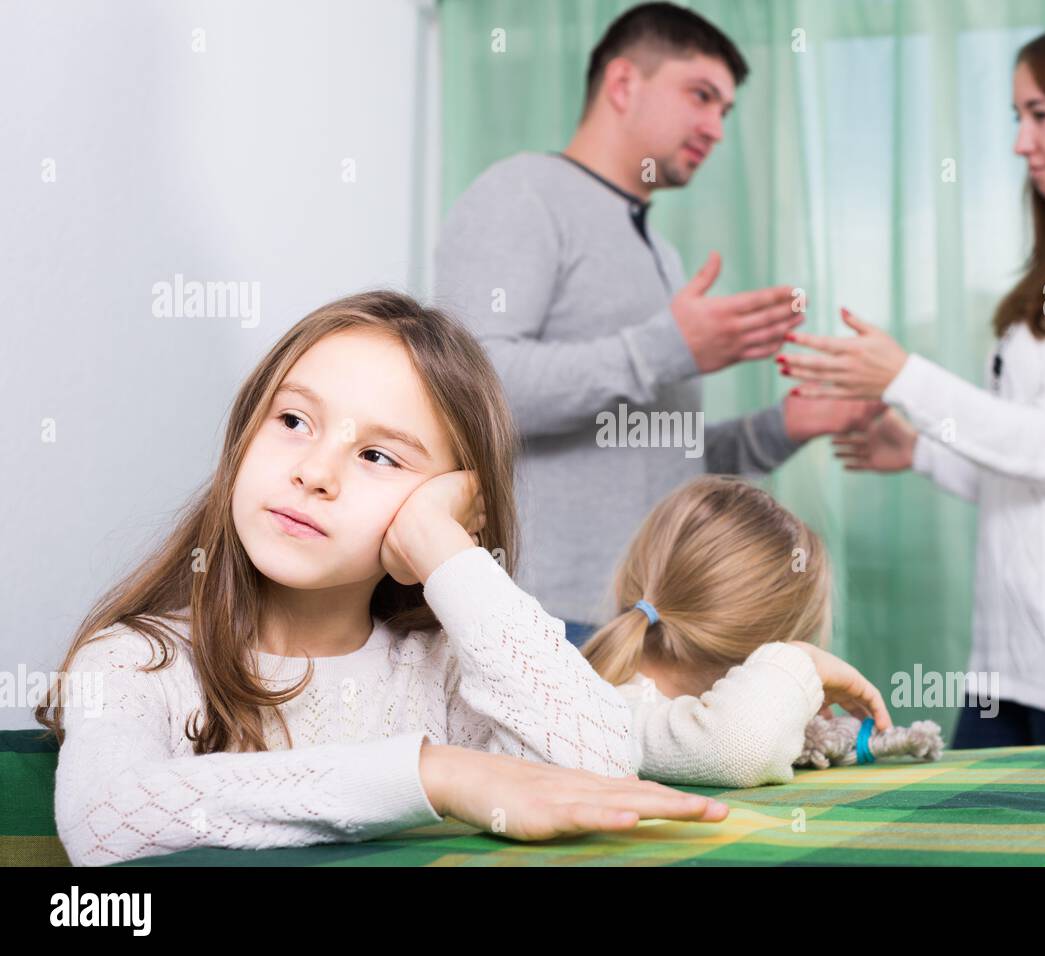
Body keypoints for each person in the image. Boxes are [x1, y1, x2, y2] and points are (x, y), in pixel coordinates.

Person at [35, 290, 727, 866]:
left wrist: (442, 547)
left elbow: (600, 766)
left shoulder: (443, 674)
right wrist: (434, 774)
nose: (314, 472)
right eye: (294, 420)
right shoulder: (139, 658)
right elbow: (105, 819)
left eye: (377, 455)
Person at [778, 16, 1045, 746]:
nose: (1019, 142)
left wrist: (904, 375)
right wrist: (917, 448)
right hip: (1011, 666)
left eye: (1041, 114)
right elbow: (1039, 478)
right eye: (1016, 117)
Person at [434, 2, 872, 646]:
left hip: (640, 619)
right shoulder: (520, 194)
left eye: (725, 109)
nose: (716, 127)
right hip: (538, 617)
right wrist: (665, 348)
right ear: (622, 85)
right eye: (701, 95)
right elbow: (470, 390)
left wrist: (781, 428)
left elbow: (655, 453)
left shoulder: (658, 252)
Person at [582, 475, 893, 787]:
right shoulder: (610, 714)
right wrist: (801, 660)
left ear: (626, 581)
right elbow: (738, 747)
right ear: (764, 658)